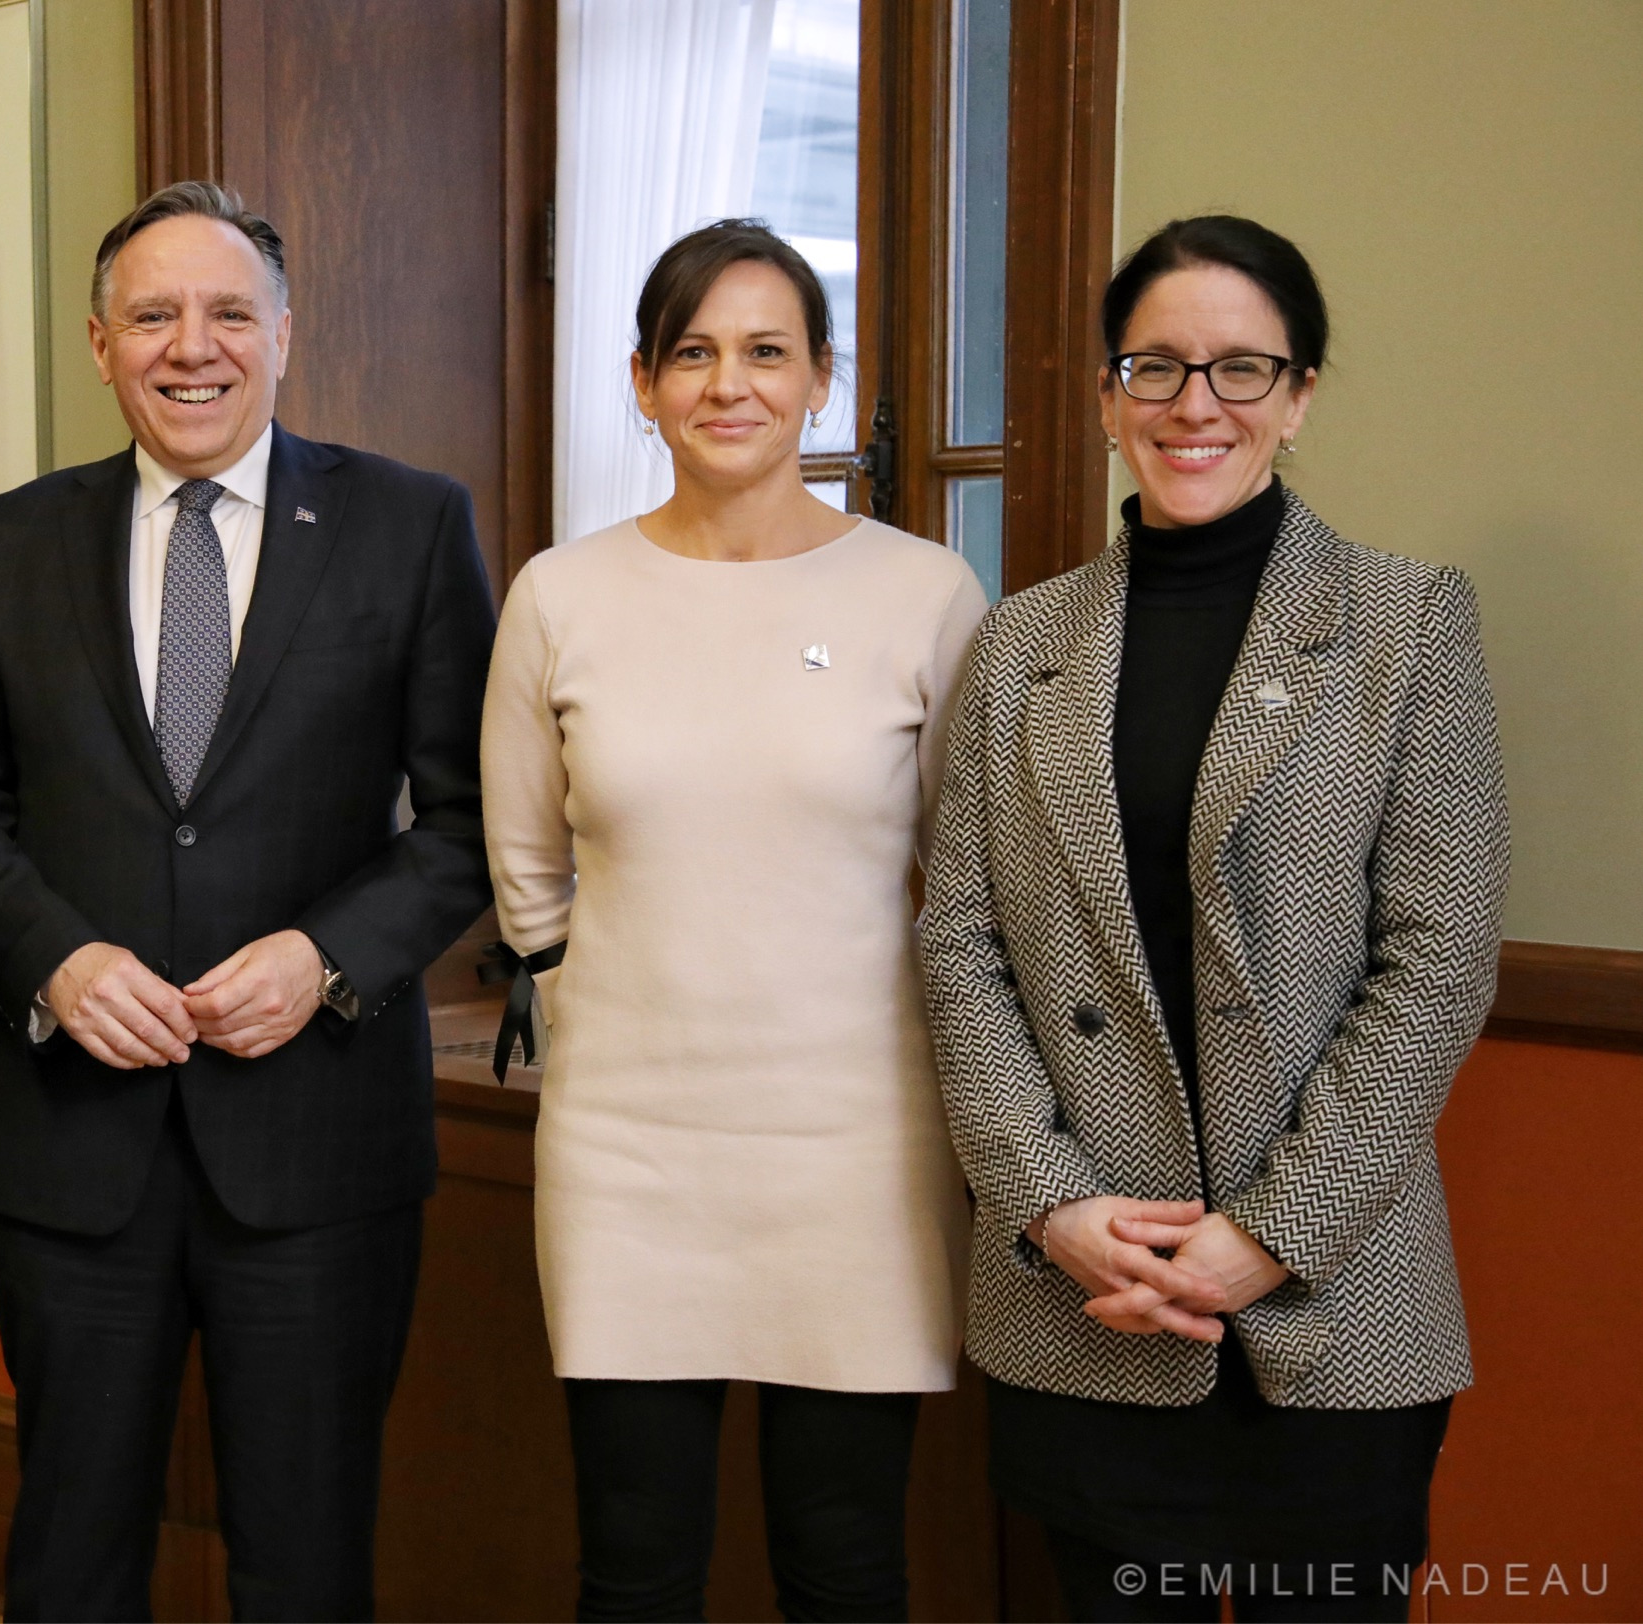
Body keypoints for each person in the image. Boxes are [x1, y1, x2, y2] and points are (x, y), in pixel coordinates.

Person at [0, 181, 496, 1621]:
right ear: (102, 345)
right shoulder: (5, 543)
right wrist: (53, 962)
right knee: (72, 1547)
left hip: (319, 1141)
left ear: (285, 337)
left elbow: (482, 819)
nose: (194, 345)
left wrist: (327, 956)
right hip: (77, 1153)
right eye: (155, 315)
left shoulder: (409, 528)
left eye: (230, 312)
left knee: (304, 1554)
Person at [919, 215, 1510, 1623]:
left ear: (1299, 398)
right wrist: (1052, 1204)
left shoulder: (1406, 623)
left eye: (1243, 369)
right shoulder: (1020, 642)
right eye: (1158, 366)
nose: (1197, 405)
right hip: (1091, 1300)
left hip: (1331, 1303)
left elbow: (1438, 964)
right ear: (1109, 397)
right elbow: (961, 946)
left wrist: (1271, 1232)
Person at [481, 219, 987, 1622]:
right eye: (691, 353)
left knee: (844, 1562)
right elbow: (529, 873)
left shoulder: (926, 593)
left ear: (823, 379)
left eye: (768, 351)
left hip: (860, 1145)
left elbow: (970, 875)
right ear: (641, 382)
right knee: (634, 1565)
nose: (730, 385)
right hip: (630, 1146)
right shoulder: (559, 594)